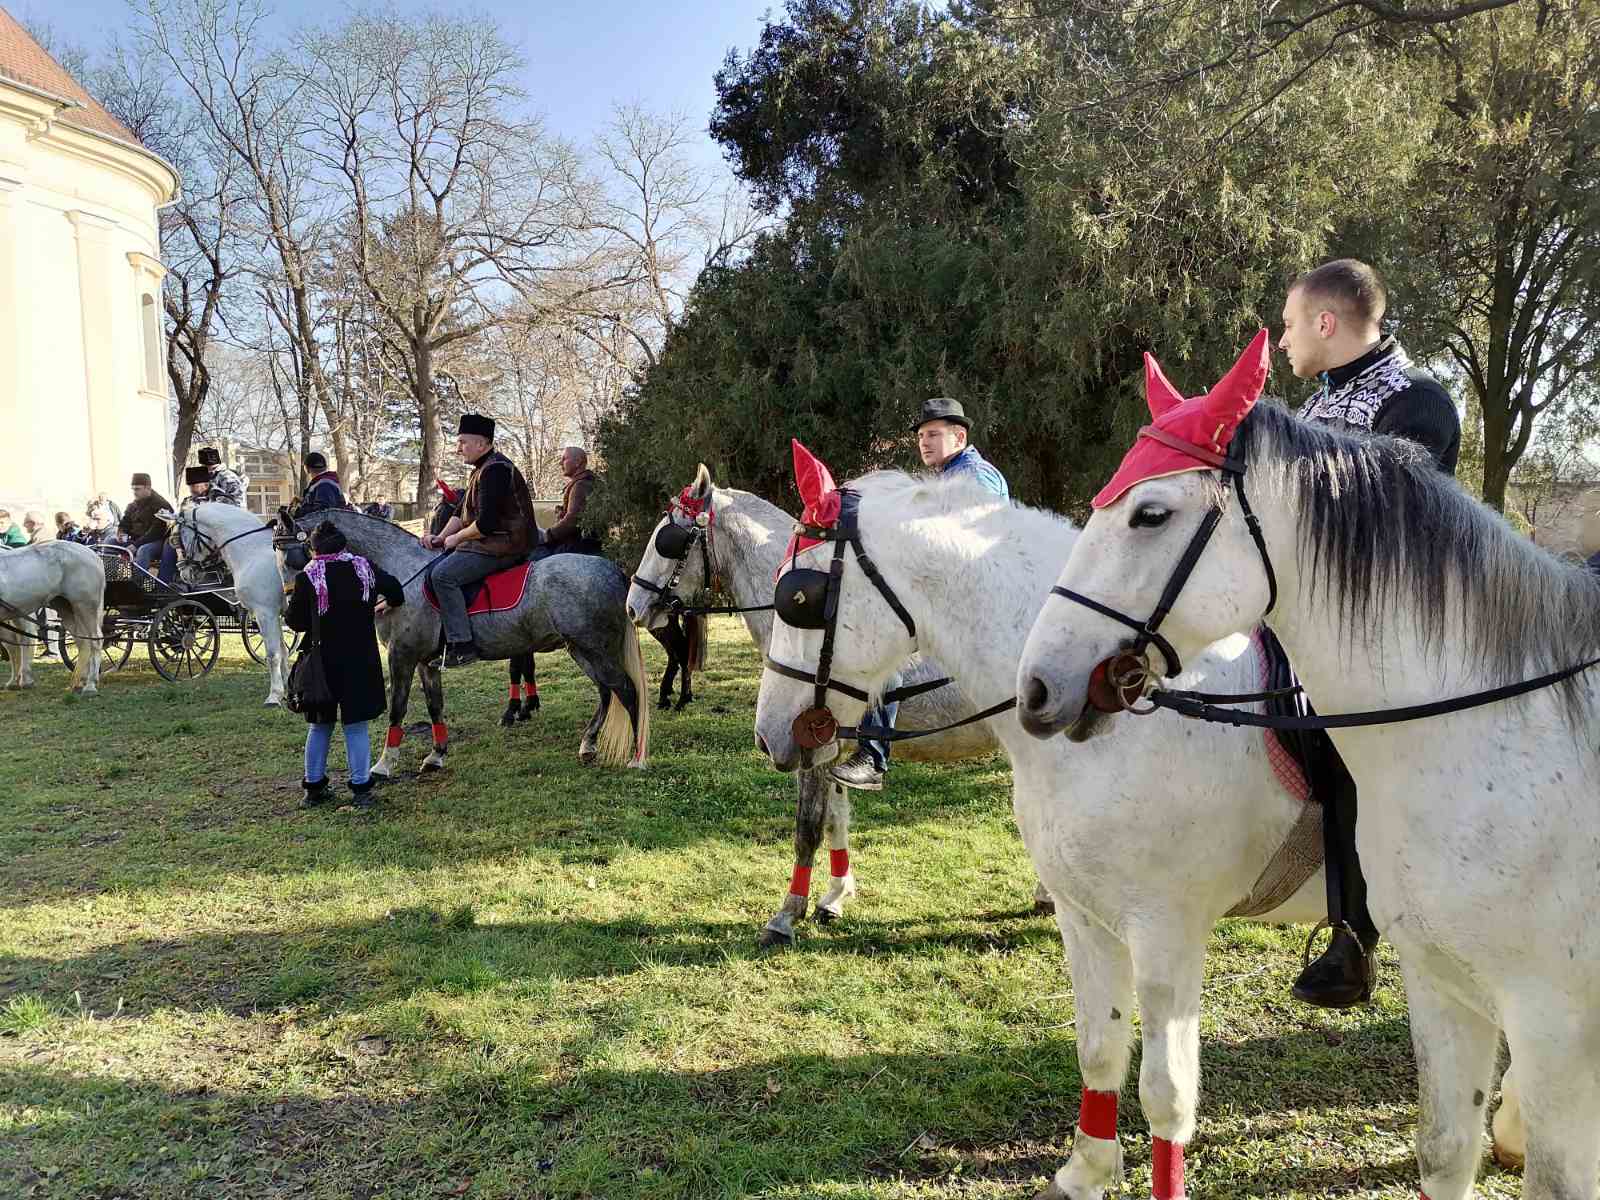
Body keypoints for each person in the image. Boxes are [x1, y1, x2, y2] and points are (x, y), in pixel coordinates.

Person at [1277, 258, 1461, 1008]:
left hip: (1391, 625)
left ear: (1326, 322)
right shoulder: (1317, 404)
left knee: (1348, 738)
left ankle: (1354, 937)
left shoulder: (1416, 401)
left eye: (1291, 324)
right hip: (1305, 616)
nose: (1284, 341)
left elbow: (1385, 524)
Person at [829, 398, 1011, 791]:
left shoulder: (974, 478)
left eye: (933, 434)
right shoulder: (950, 476)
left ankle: (872, 757)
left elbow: (977, 544)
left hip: (975, 600)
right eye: (921, 436)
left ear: (958, 436)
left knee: (885, 657)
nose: (924, 442)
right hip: (953, 594)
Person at [286, 520, 405, 810]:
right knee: (356, 726)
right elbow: (396, 591)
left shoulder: (307, 577)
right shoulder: (364, 568)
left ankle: (314, 788)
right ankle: (361, 789)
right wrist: (382, 604)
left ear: (314, 549)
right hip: (360, 658)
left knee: (319, 726)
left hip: (322, 661)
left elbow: (295, 622)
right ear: (343, 546)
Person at [422, 413, 539, 669]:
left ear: (482, 443)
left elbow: (486, 524)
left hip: (505, 545)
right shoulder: (481, 469)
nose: (458, 448)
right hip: (490, 542)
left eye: (463, 442)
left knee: (442, 576)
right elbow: (459, 513)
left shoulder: (496, 470)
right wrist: (440, 537)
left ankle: (462, 645)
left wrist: (455, 538)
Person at [538, 446, 602, 556]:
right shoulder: (586, 483)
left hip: (577, 547)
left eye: (564, 459)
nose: (560, 463)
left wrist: (547, 536)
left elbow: (573, 520)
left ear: (577, 462)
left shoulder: (581, 485)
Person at [120, 474, 173, 576]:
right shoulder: (133, 505)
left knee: (143, 550)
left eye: (137, 489)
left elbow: (156, 532)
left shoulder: (162, 505)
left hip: (157, 542)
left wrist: (136, 545)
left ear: (148, 488)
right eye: (133, 489)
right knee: (110, 541)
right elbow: (125, 521)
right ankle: (108, 579)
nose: (134, 492)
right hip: (136, 540)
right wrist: (121, 531)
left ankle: (137, 583)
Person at [294, 452, 346, 517]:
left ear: (307, 469)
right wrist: (303, 502)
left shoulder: (324, 484)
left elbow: (322, 511)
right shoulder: (325, 482)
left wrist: (298, 512)